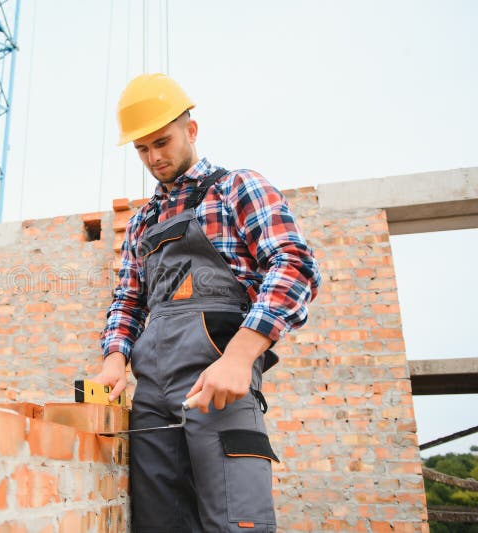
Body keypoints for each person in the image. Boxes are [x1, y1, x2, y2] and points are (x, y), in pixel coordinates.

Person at [95, 73, 321, 532]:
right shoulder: (142, 223)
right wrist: (114, 360)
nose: (154, 157)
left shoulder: (237, 188)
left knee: (236, 523)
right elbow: (128, 300)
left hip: (218, 383)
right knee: (160, 525)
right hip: (152, 397)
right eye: (142, 149)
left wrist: (239, 359)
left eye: (163, 141)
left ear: (191, 131)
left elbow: (294, 266)